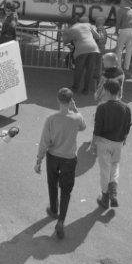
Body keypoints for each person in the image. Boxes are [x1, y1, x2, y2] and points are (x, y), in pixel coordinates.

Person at [35, 88, 86, 240]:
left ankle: (53, 209)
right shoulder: (77, 118)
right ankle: (61, 221)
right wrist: (75, 109)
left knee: (52, 183)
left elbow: (44, 141)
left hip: (53, 157)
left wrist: (39, 160)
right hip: (69, 159)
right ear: (71, 101)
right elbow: (83, 127)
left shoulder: (51, 119)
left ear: (58, 100)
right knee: (66, 190)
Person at [90, 78, 132, 209]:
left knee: (104, 169)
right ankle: (113, 189)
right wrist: (124, 138)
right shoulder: (126, 108)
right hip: (118, 142)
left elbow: (97, 128)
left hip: (104, 142)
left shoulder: (102, 107)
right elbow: (128, 126)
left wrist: (93, 143)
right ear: (119, 91)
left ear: (106, 91)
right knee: (115, 165)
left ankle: (105, 195)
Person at [61, 13, 102, 95]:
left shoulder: (72, 29)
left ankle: (75, 87)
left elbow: (66, 41)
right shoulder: (88, 25)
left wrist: (64, 33)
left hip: (81, 50)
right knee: (89, 70)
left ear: (70, 24)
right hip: (94, 48)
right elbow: (98, 37)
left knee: (79, 70)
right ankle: (86, 89)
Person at [115, 0, 132, 72]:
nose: (120, 4)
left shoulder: (120, 10)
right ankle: (126, 67)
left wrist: (116, 31)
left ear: (125, 3)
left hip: (124, 30)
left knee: (119, 50)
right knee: (129, 50)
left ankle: (118, 67)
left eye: (121, 2)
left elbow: (118, 22)